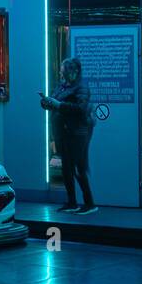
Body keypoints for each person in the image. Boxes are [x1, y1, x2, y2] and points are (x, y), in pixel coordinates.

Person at [41, 56, 97, 214]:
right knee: (66, 168)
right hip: (63, 131)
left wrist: (59, 105)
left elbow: (80, 109)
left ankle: (89, 203)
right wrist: (47, 103)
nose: (61, 73)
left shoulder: (82, 87)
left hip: (78, 132)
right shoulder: (63, 86)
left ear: (74, 72)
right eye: (62, 71)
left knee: (79, 167)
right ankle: (72, 202)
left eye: (64, 71)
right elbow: (55, 101)